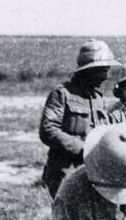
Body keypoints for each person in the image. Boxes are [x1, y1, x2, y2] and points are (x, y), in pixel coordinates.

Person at [38, 40, 116, 197]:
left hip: (92, 173)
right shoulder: (62, 94)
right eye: (102, 70)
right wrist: (83, 148)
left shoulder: (98, 98)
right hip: (66, 173)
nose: (106, 76)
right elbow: (48, 129)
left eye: (107, 70)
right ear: (88, 71)